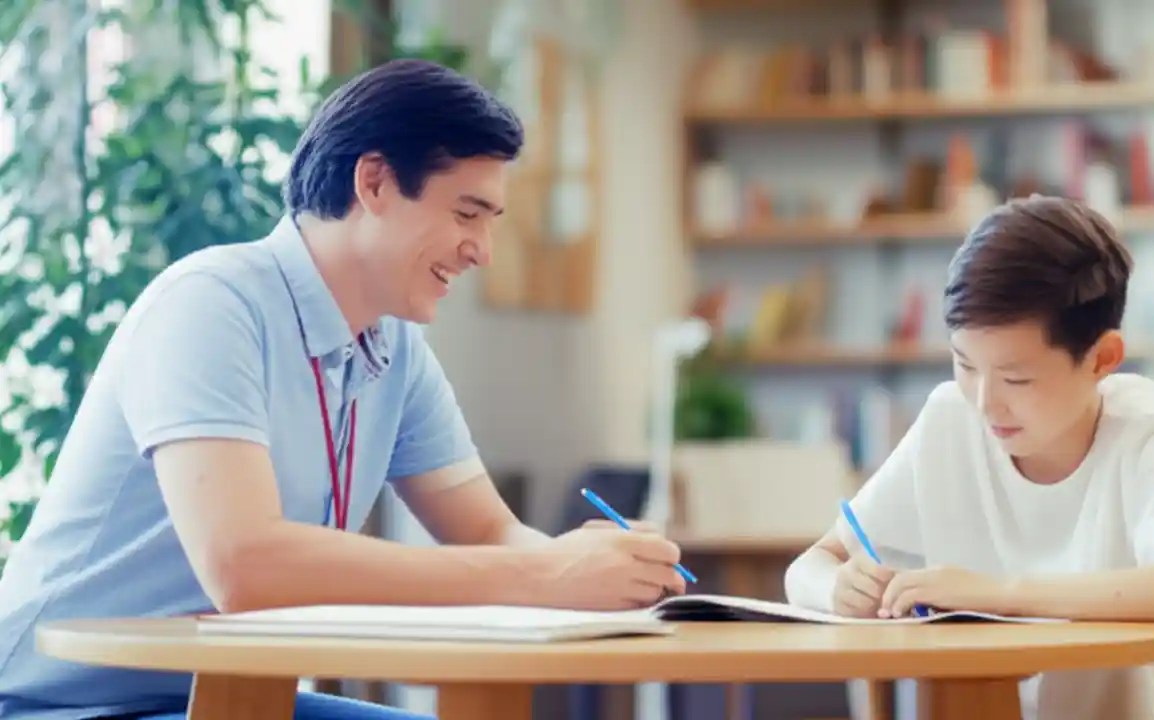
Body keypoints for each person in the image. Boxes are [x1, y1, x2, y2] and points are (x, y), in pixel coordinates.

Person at [0, 59, 686, 720]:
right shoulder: (211, 305)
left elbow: (486, 529)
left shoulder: (395, 349)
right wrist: (545, 577)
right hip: (63, 703)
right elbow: (246, 566)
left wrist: (593, 568)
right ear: (376, 183)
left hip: (224, 693)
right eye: (467, 213)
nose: (483, 250)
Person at [784, 196, 1154, 720]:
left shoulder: (1145, 434)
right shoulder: (950, 419)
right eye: (964, 364)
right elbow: (810, 565)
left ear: (1102, 359)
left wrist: (1002, 595)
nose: (985, 402)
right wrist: (836, 589)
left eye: (1016, 379)